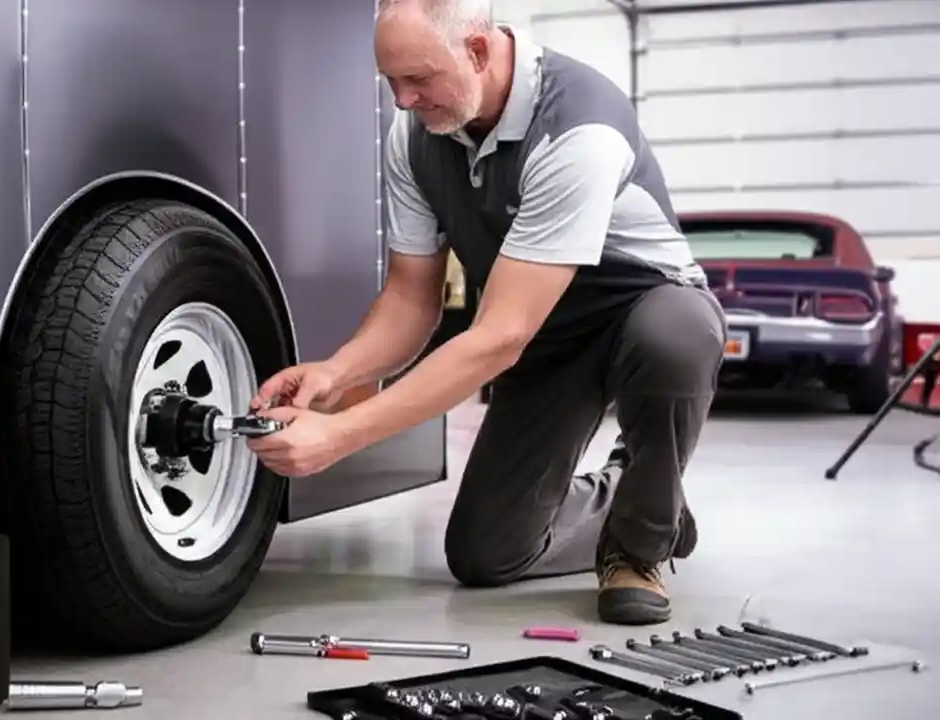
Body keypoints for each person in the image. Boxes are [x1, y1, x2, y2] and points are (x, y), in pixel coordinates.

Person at [245, 0, 726, 626]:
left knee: (675, 338)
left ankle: (639, 546)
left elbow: (500, 335)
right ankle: (643, 498)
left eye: (418, 79)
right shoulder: (417, 137)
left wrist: (339, 438)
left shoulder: (578, 129)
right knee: (486, 555)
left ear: (477, 51)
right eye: (390, 81)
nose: (403, 100)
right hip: (546, 336)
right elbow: (411, 299)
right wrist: (336, 375)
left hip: (641, 309)